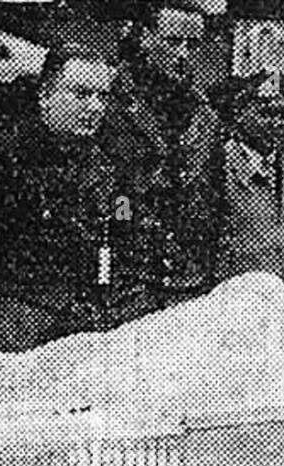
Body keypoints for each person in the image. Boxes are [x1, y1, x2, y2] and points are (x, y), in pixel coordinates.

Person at [0, 45, 121, 352]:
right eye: (80, 93)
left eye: (102, 96)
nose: (94, 107)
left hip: (86, 317)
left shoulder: (103, 160)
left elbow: (113, 234)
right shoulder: (5, 155)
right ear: (46, 95)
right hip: (19, 318)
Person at [99, 3, 221, 317]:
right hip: (126, 282)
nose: (184, 55)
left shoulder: (204, 115)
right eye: (172, 41)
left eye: (193, 45)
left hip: (189, 282)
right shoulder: (108, 103)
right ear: (145, 37)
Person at [212, 72, 284, 318]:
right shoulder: (219, 167)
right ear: (240, 113)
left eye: (282, 115)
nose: (275, 124)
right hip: (240, 307)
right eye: (266, 114)